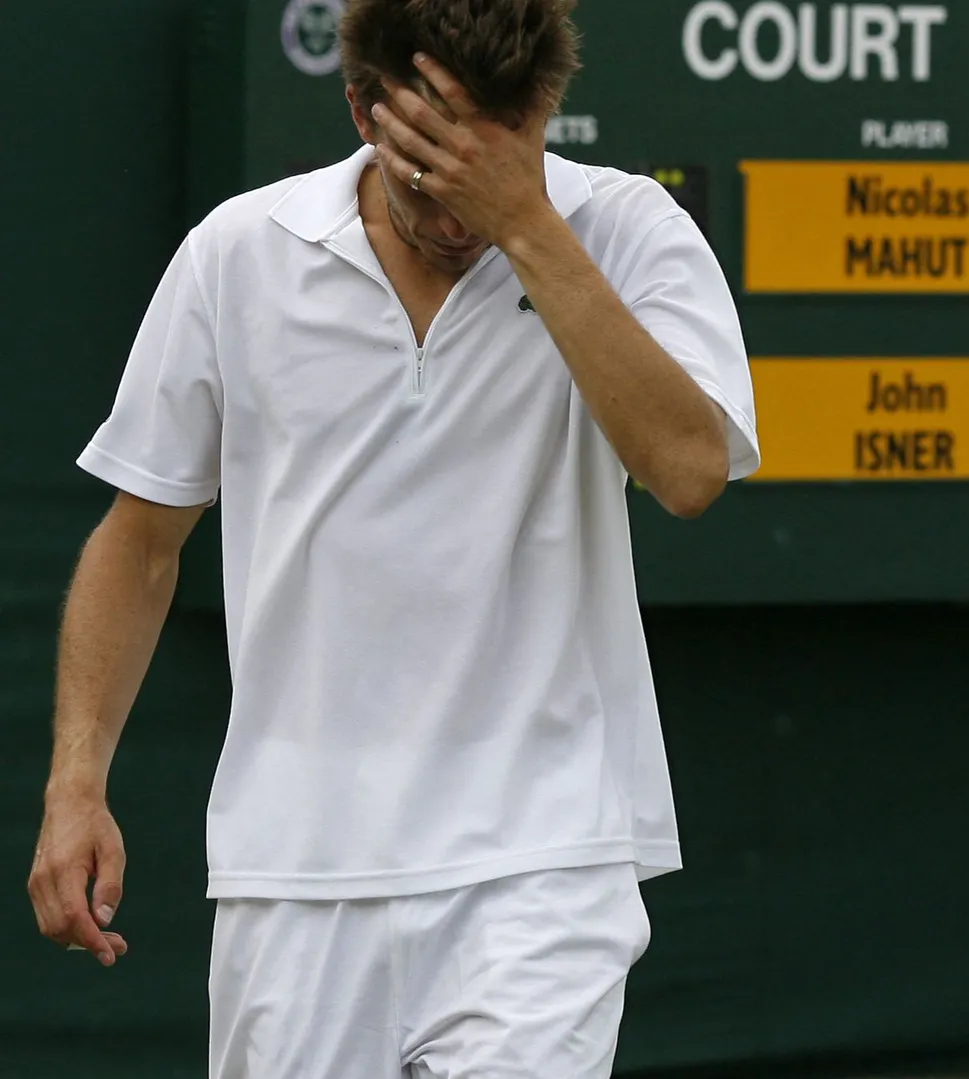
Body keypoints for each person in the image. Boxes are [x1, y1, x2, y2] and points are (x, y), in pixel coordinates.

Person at [25, 0, 759, 1073]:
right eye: (427, 170)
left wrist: (527, 225)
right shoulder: (236, 253)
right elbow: (140, 543)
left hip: (545, 863)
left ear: (541, 114)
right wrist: (75, 783)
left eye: (489, 160)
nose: (458, 214)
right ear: (362, 110)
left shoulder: (627, 229)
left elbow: (690, 471)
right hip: (294, 876)